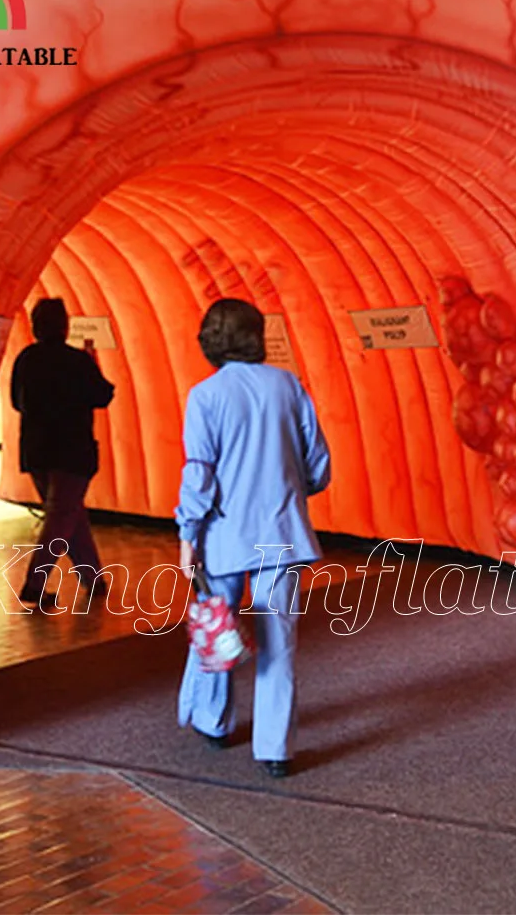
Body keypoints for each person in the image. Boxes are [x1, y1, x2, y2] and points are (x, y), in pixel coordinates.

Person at [175, 299, 331, 778]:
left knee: (216, 621)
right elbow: (318, 463)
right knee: (278, 638)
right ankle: (275, 748)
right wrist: (289, 490)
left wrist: (187, 534)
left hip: (223, 532)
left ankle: (214, 720)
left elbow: (199, 474)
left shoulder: (204, 397)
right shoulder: (288, 386)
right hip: (280, 528)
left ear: (209, 341)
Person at [11, 297, 116, 607]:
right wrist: (92, 360)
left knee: (68, 516)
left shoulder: (25, 359)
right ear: (64, 325)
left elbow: (18, 403)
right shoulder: (76, 361)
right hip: (72, 452)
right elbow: (102, 395)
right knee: (61, 518)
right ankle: (35, 583)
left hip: (37, 452)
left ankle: (93, 579)